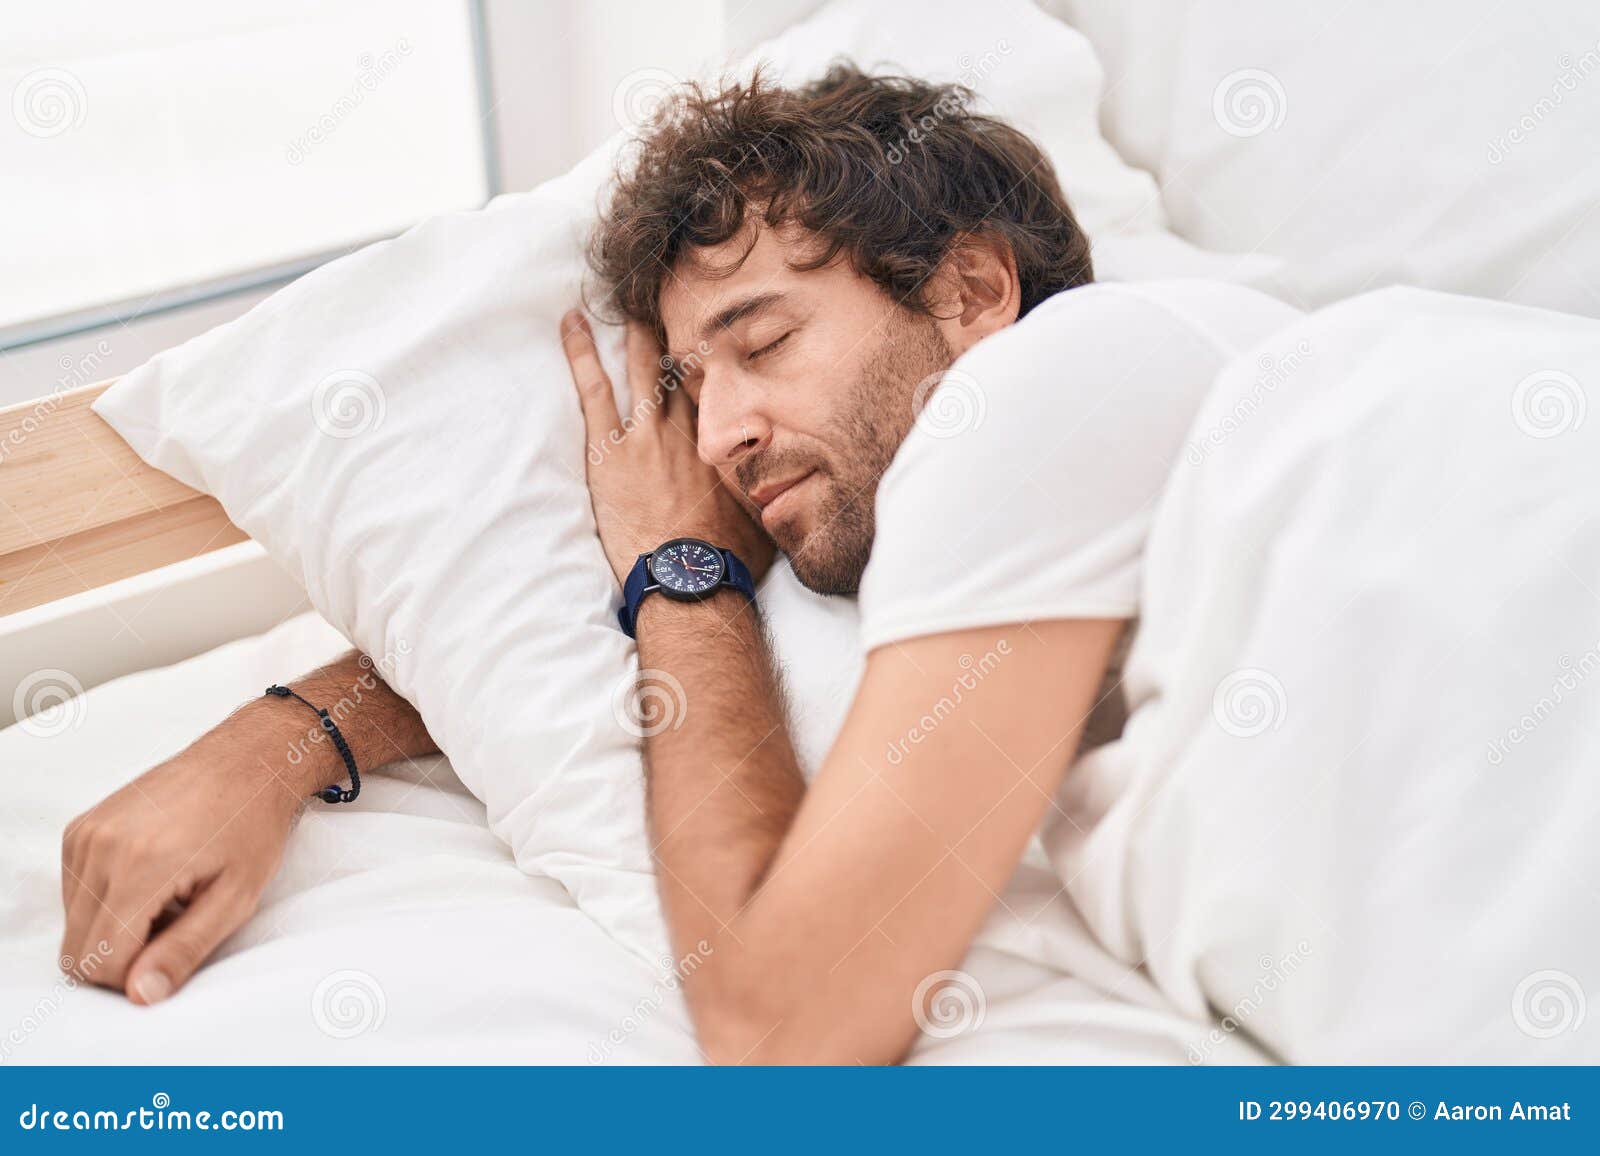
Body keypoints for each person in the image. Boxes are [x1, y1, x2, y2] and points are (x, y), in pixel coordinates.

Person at [59, 66, 1295, 1061]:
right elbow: (525, 612)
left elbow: (783, 1038)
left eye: (762, 341)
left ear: (972, 287)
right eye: (690, 390)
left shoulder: (1060, 381)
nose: (718, 436)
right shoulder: (964, 549)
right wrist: (283, 737)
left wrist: (685, 576)